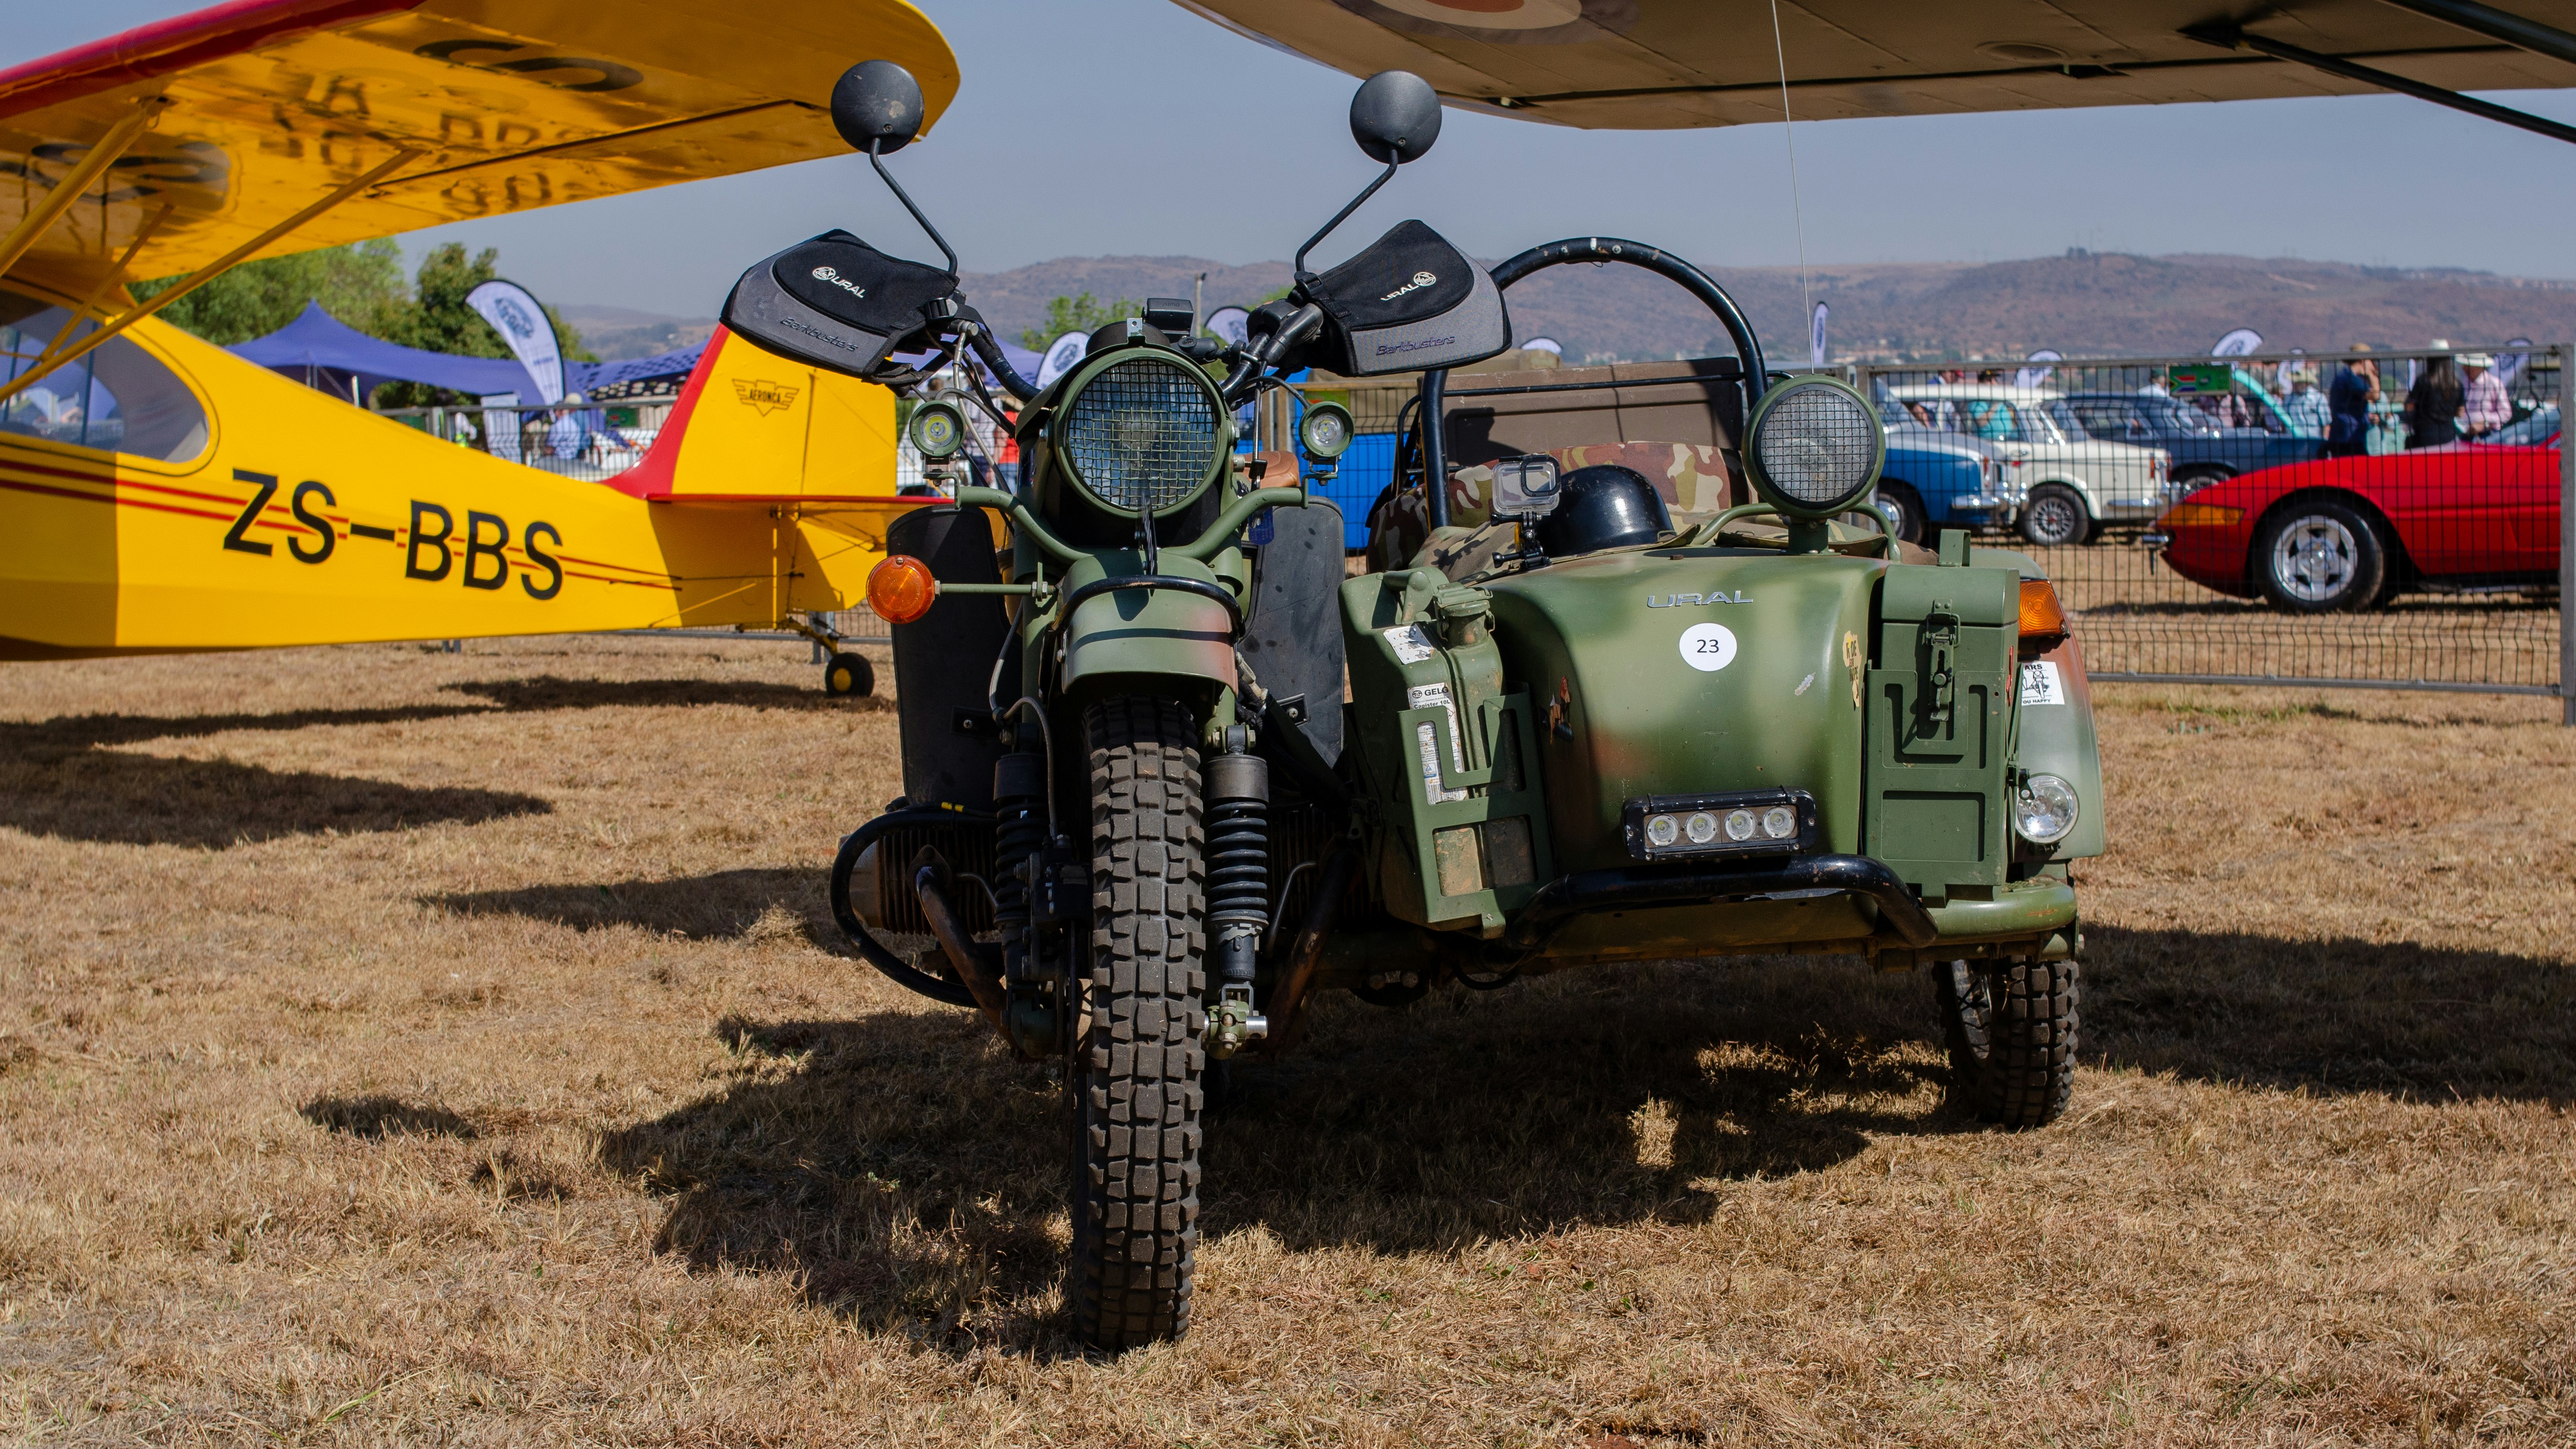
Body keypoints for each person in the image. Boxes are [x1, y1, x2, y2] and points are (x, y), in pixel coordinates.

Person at [2402, 352, 2463, 450]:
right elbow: (2460, 412)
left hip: (2424, 436)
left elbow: (2409, 407)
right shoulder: (2457, 385)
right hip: (2449, 436)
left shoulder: (2423, 381)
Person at [2325, 350, 2378, 458]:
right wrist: (2372, 375)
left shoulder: (2342, 377)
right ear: (2363, 361)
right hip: (2350, 438)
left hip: (2341, 435)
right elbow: (2375, 395)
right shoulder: (2353, 379)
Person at [2459, 352, 2509, 439]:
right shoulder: (2464, 383)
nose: (2464, 369)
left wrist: (2484, 423)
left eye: (2468, 366)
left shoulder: (2494, 384)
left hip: (2489, 435)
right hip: (2466, 434)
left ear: (2479, 367)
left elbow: (2506, 413)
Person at [2282, 367, 2330, 438]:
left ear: (2306, 383)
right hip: (2292, 442)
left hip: (2313, 441)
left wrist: (2323, 443)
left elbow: (2325, 424)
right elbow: (2283, 422)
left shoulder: (2318, 398)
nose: (2294, 384)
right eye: (2294, 382)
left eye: (2298, 382)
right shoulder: (2288, 399)